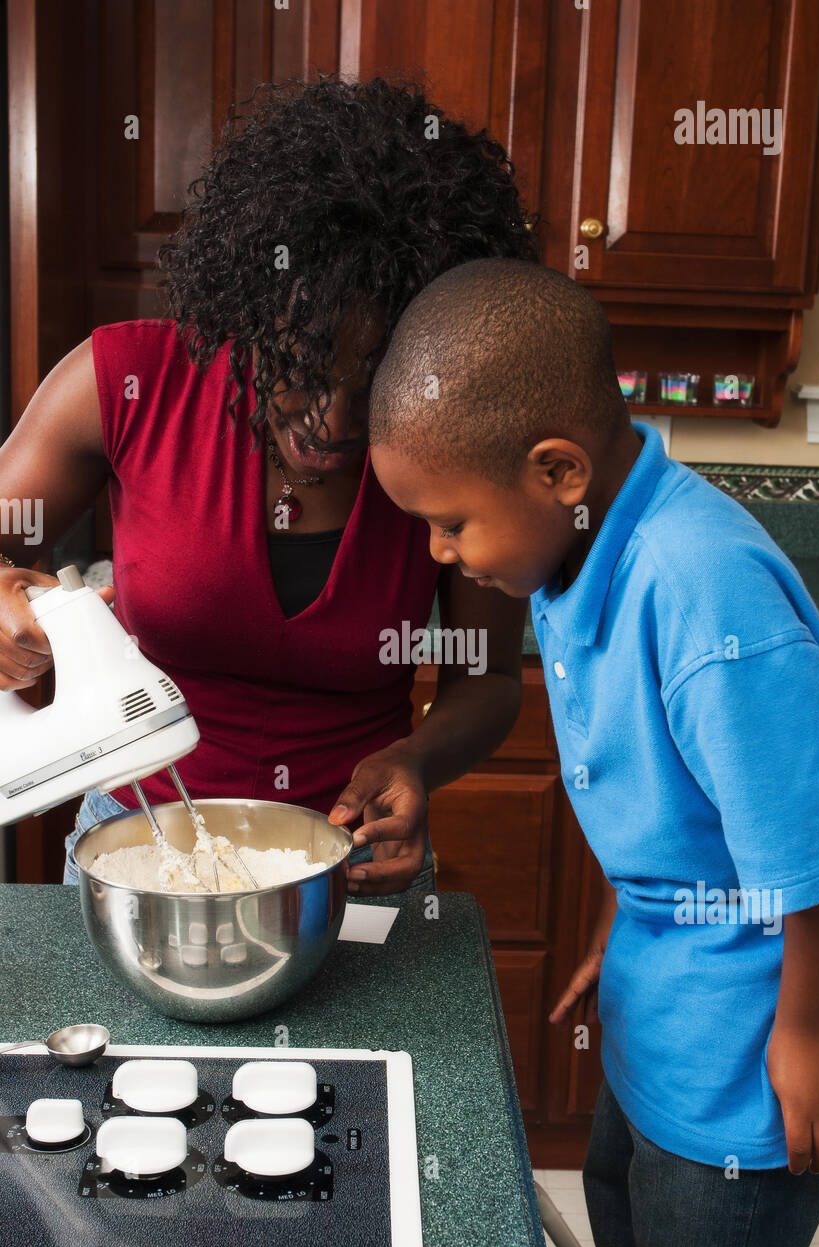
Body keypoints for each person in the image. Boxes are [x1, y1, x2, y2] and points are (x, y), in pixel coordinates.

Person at [366, 257, 819, 1247]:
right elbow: (665, 791)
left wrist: (810, 1028)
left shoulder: (701, 591)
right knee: (624, 1230)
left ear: (557, 472)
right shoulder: (575, 552)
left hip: (745, 1061)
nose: (439, 551)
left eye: (451, 522)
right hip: (658, 999)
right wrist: (616, 917)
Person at [0, 79, 533, 894]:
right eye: (305, 368)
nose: (336, 420)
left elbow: (489, 680)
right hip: (137, 846)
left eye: (379, 384)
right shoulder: (128, 381)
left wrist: (413, 760)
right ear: (252, 305)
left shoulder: (454, 448)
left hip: (347, 860)